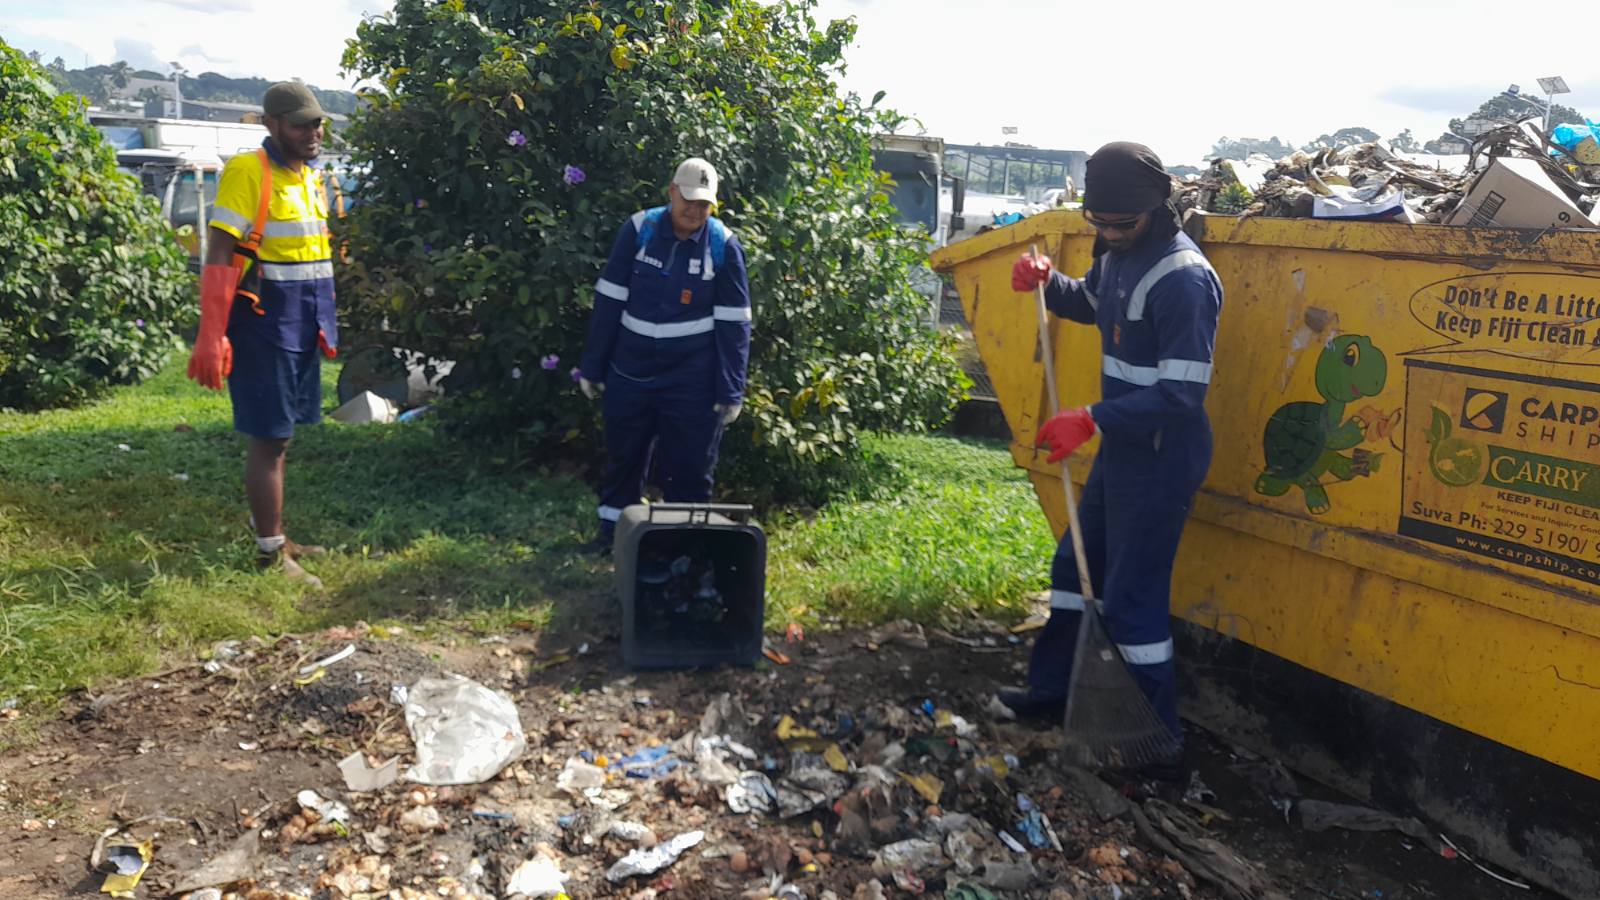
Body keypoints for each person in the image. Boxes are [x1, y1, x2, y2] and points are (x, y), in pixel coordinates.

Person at [1000, 142, 1223, 767]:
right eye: (1098, 222)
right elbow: (1094, 305)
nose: (1109, 233)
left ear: (1155, 209)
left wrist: (1092, 418)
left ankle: (1152, 741)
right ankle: (1055, 693)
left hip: (1161, 460)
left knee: (1130, 600)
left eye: (1121, 224)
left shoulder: (1184, 280)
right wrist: (1048, 284)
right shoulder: (1117, 252)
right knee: (1074, 570)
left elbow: (1182, 395)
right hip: (1124, 451)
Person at [187, 82, 338, 586]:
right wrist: (212, 333)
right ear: (271, 124)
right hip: (263, 324)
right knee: (269, 438)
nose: (313, 132)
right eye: (300, 125)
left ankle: (275, 534)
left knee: (281, 436)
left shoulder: (308, 177)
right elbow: (219, 252)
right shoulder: (248, 171)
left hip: (303, 323)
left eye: (317, 123)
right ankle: (270, 552)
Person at [577, 158, 752, 549]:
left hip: (692, 380)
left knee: (689, 468)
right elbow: (609, 300)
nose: (695, 210)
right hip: (630, 371)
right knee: (624, 459)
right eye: (689, 200)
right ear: (671, 192)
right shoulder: (639, 230)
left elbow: (735, 324)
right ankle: (613, 541)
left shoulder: (724, 246)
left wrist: (730, 391)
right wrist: (593, 365)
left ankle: (682, 552)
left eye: (704, 204)